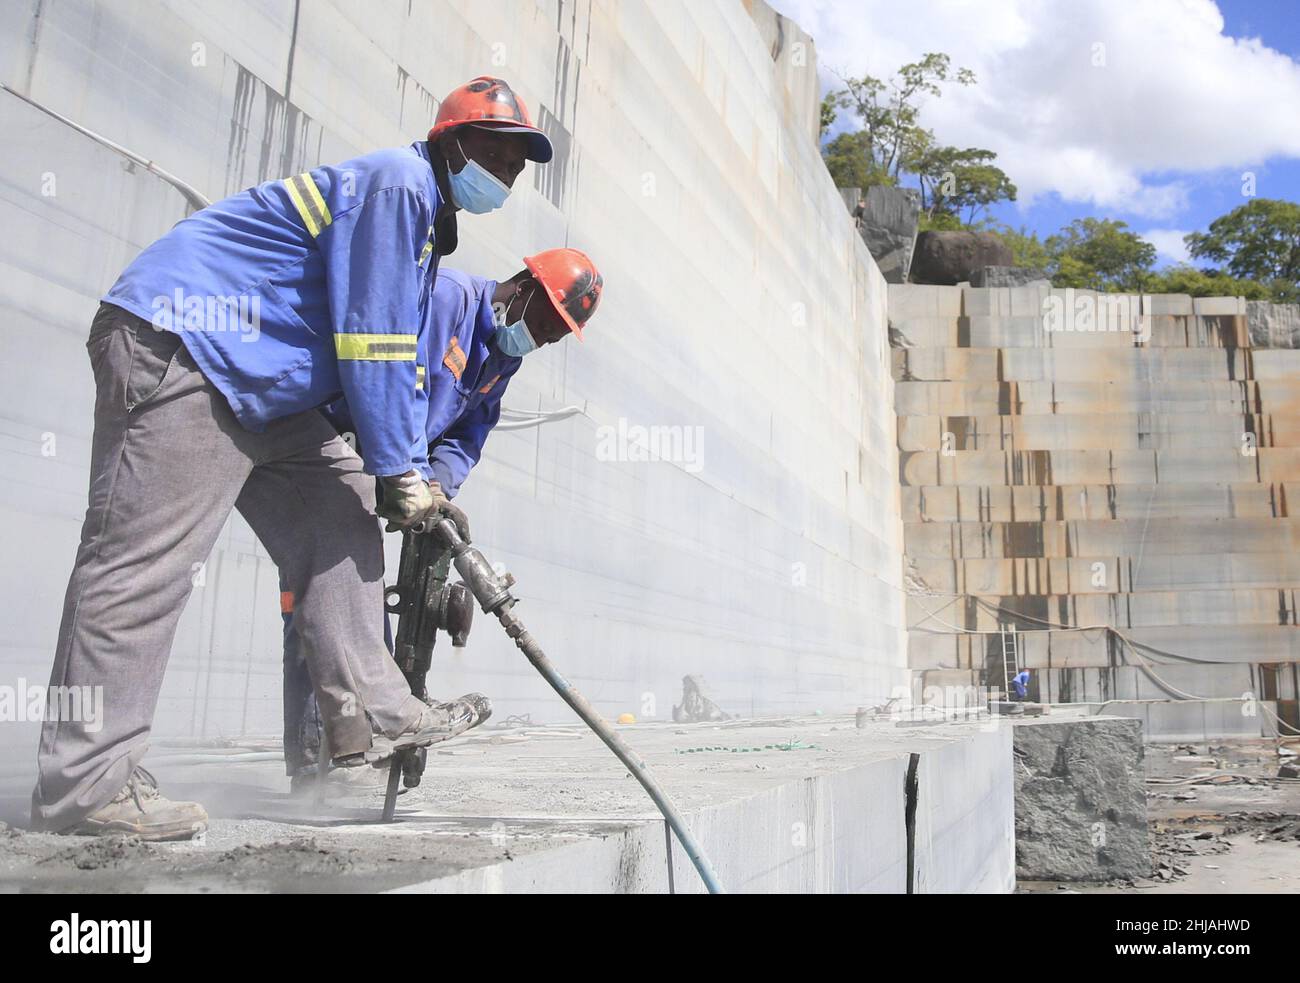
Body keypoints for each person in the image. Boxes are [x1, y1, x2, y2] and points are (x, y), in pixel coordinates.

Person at [32, 77, 554, 841]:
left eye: (517, 163)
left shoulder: (427, 229)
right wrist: (401, 472)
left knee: (338, 514)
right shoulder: (401, 185)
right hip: (186, 343)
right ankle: (86, 786)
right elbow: (371, 342)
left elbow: (398, 368)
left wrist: (409, 474)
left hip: (261, 381)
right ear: (451, 142)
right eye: (495, 150)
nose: (504, 171)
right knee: (142, 566)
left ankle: (371, 711)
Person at [283, 249, 604, 788]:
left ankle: (348, 752)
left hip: (391, 473)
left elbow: (466, 436)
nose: (543, 338)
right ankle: (321, 758)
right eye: (545, 321)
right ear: (523, 285)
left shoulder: (504, 358)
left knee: (348, 601)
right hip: (335, 447)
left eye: (556, 334)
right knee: (324, 599)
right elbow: (397, 386)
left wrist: (436, 486)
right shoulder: (449, 299)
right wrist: (407, 471)